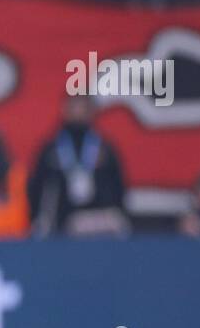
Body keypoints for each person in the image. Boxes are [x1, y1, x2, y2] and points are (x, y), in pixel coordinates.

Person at [27, 92, 128, 237]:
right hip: (62, 223)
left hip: (100, 220)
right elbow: (37, 188)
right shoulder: (52, 149)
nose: (79, 111)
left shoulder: (104, 149)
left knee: (118, 223)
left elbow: (118, 187)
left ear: (92, 110)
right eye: (74, 106)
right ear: (65, 109)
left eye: (83, 106)